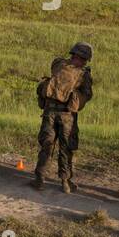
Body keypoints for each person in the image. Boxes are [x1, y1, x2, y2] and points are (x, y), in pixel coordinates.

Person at [34, 42, 93, 193]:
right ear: (83, 58)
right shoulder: (83, 74)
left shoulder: (58, 64)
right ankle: (65, 182)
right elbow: (87, 95)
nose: (84, 62)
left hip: (49, 113)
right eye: (84, 59)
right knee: (66, 148)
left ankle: (39, 179)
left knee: (47, 145)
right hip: (67, 116)